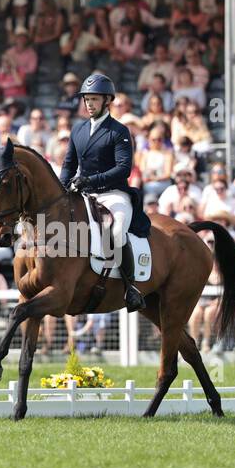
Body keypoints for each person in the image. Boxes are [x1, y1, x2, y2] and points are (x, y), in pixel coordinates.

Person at [59, 72, 145, 311]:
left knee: (116, 233)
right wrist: (62, 189)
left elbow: (123, 169)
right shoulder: (77, 130)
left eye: (94, 99)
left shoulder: (118, 131)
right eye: (86, 99)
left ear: (107, 100)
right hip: (85, 193)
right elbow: (68, 165)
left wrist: (90, 180)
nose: (89, 104)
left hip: (113, 193)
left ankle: (131, 288)